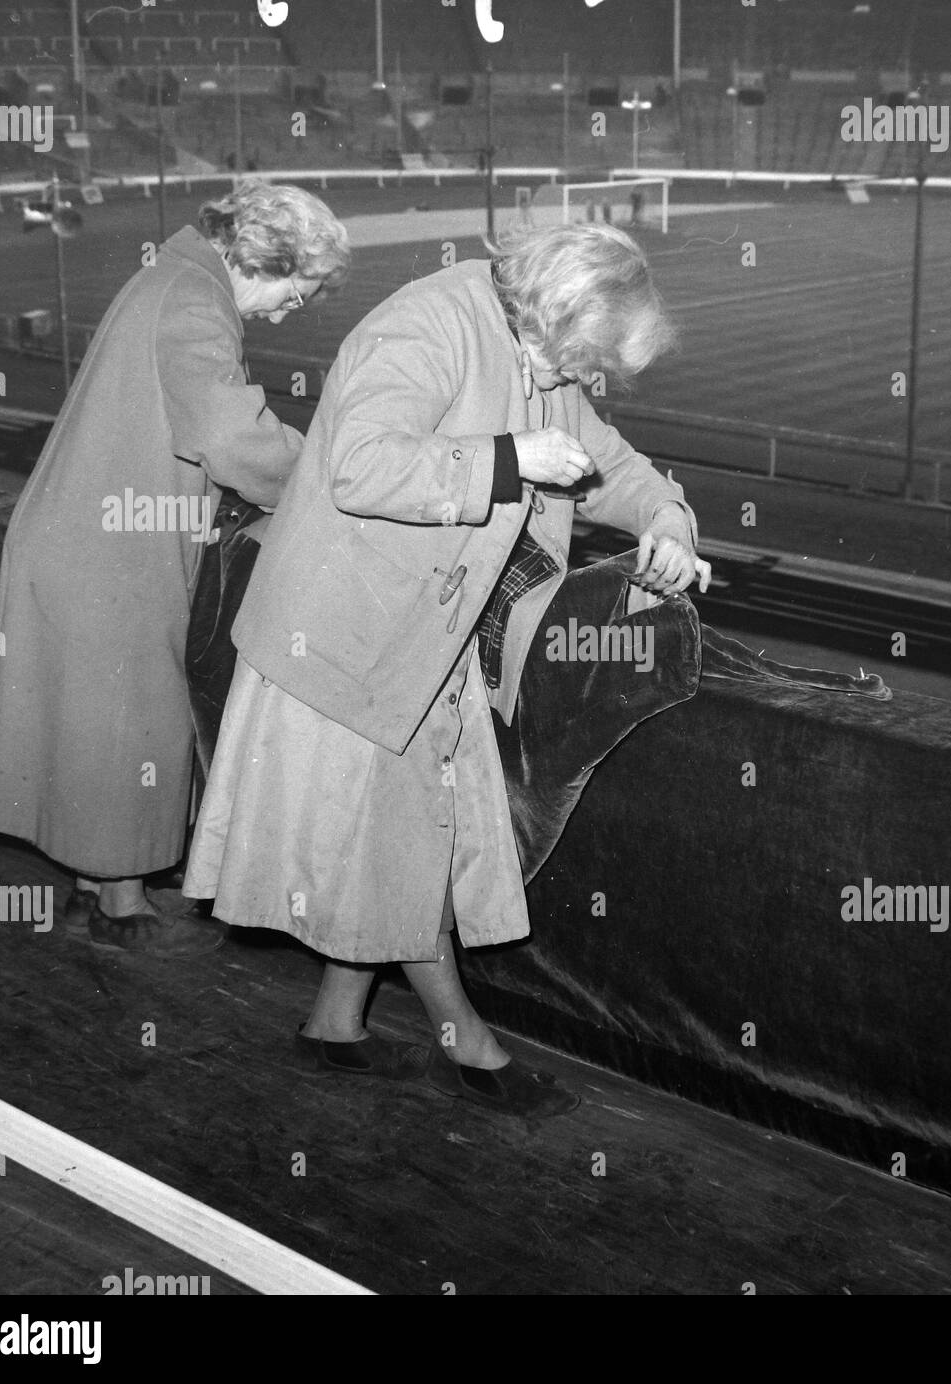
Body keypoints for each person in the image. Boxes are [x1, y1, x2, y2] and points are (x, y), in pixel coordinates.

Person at [183, 221, 710, 1116]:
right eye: (575, 365)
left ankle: (334, 1027)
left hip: (428, 635)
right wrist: (511, 459)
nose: (573, 389)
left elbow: (605, 463)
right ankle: (466, 1043)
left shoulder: (540, 344)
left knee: (396, 843)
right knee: (408, 850)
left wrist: (667, 518)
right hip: (350, 640)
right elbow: (358, 466)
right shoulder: (428, 324)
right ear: (551, 314)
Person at [0, 179, 350, 958]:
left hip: (84, 538)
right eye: (299, 289)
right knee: (130, 722)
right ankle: (123, 900)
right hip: (109, 555)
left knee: (90, 726)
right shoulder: (193, 298)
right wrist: (332, 480)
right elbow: (230, 435)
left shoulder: (173, 278)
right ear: (269, 257)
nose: (291, 310)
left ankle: (92, 888)